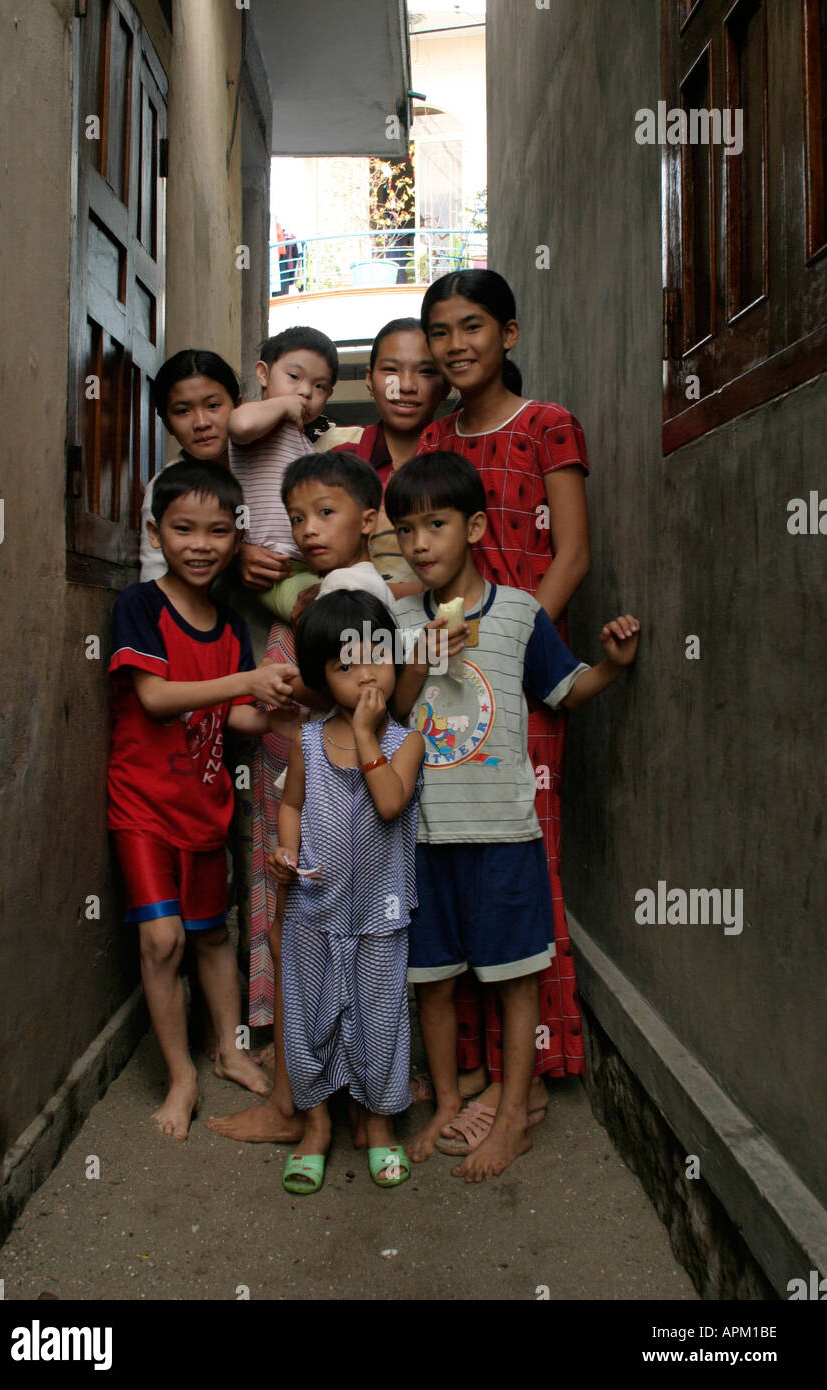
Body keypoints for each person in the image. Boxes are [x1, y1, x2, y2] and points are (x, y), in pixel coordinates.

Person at [387, 453, 640, 1180]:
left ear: (473, 528)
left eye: (436, 525)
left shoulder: (521, 613)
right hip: (423, 835)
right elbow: (392, 715)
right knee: (433, 980)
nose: (420, 544)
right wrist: (419, 661)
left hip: (502, 832)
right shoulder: (397, 619)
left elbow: (566, 691)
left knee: (514, 979)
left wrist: (612, 666)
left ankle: (511, 1120)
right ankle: (445, 1103)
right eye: (406, 530)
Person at [416, 268, 592, 1145]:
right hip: (444, 691)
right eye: (440, 330)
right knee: (454, 868)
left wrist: (514, 652)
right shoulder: (432, 440)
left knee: (524, 870)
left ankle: (533, 1080)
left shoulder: (547, 425)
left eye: (473, 326)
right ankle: (480, 1072)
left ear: (509, 333)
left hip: (521, 676)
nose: (456, 345)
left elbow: (572, 557)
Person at [108, 459, 300, 1141]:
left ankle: (228, 1049)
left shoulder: (225, 625)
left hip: (208, 807)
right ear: (155, 533)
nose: (199, 544)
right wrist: (247, 680)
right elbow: (156, 698)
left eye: (218, 531)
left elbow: (235, 716)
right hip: (143, 807)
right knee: (163, 940)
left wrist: (290, 713)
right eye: (183, 529)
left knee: (214, 934)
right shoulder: (140, 607)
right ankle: (180, 1076)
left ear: (235, 538)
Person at [206, 451, 391, 1146]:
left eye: (325, 513)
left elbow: (349, 684)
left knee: (299, 944)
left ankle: (295, 1107)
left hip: (332, 792)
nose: (307, 529)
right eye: (296, 518)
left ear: (368, 520)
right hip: (340, 791)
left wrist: (282, 686)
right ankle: (349, 1105)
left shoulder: (348, 592)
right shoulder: (343, 586)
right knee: (343, 949)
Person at [271, 591, 426, 1193]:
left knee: (380, 1024)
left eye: (376, 657)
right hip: (315, 912)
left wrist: (365, 735)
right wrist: (287, 853)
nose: (366, 674)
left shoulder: (406, 742)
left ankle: (379, 1128)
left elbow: (389, 803)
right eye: (345, 665)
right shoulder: (308, 741)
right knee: (308, 1023)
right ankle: (316, 1129)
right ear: (320, 678)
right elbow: (291, 805)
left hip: (379, 918)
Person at [228, 326, 339, 624]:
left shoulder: (307, 446)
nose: (305, 392)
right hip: (274, 567)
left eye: (319, 386)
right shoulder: (260, 422)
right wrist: (282, 404)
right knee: (325, 615)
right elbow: (239, 425)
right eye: (294, 377)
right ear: (263, 374)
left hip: (305, 563)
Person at [332, 317, 448, 594]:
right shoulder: (337, 459)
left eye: (426, 372)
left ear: (446, 386)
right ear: (369, 379)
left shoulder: (463, 462)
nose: (406, 385)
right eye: (391, 370)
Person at [139, 350, 242, 583]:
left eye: (213, 405)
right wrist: (237, 558)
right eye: (183, 411)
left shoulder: (269, 466)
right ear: (167, 423)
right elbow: (155, 580)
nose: (201, 423)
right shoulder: (164, 488)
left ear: (238, 406)